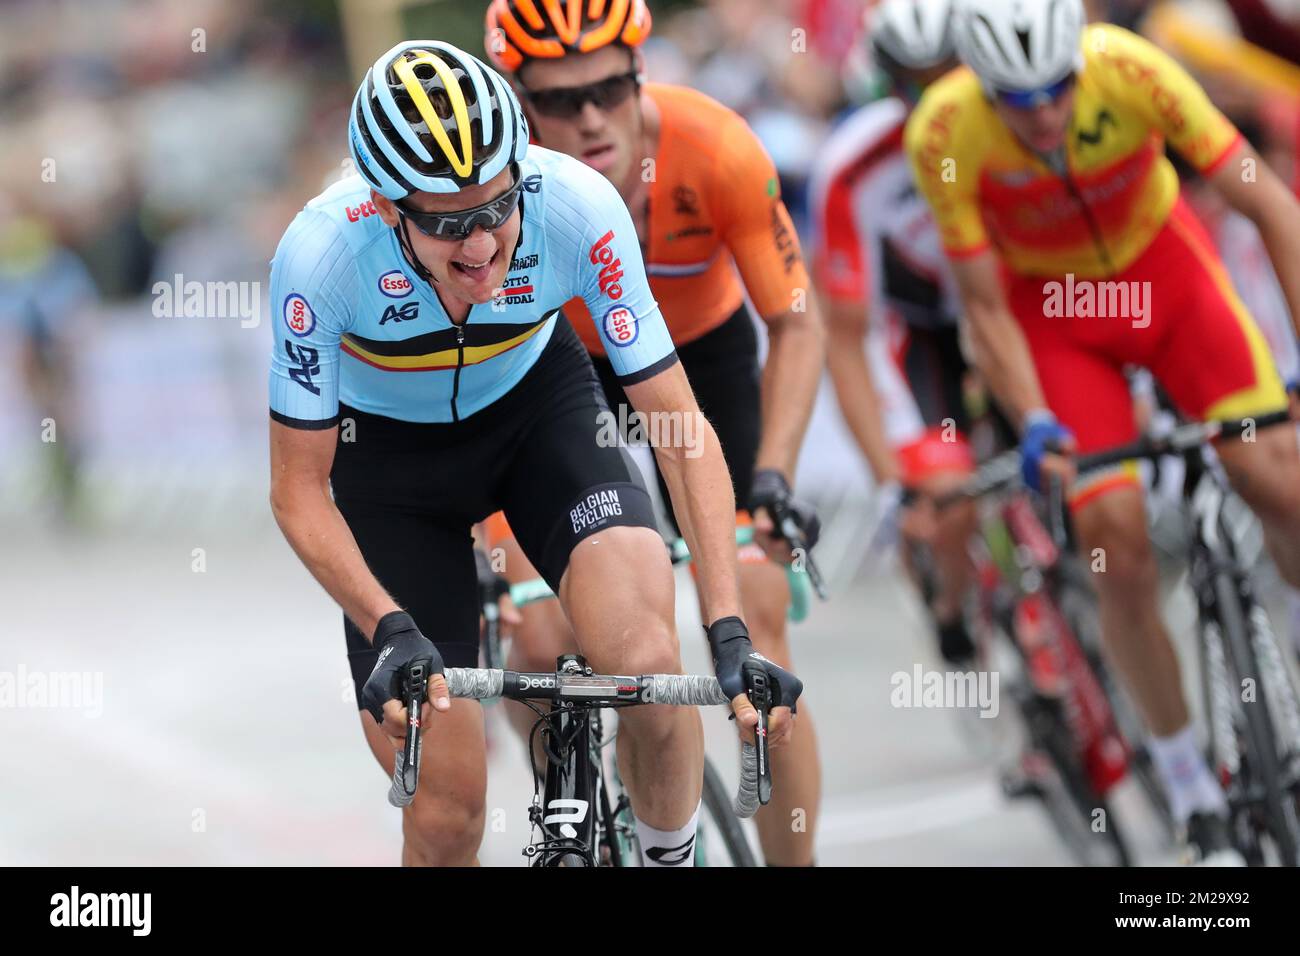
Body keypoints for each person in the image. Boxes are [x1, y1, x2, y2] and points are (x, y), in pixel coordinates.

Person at [267, 39, 801, 866]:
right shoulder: (321, 256)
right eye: (448, 225)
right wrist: (388, 624)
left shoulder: (577, 206)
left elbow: (679, 428)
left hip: (538, 420)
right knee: (446, 815)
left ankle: (669, 854)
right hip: (391, 475)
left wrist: (728, 623)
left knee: (650, 667)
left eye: (495, 208)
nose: (480, 245)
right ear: (382, 206)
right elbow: (298, 491)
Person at [905, 0, 1300, 863]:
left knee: (1276, 475)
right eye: (1019, 98)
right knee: (1112, 544)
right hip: (1056, 319)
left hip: (1168, 279)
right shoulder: (944, 131)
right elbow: (982, 308)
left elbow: (1270, 205)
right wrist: (1036, 416)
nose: (1043, 112)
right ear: (979, 84)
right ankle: (1190, 785)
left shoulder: (1132, 67)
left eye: (1057, 87)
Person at [480, 0, 827, 866]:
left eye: (607, 87)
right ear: (519, 107)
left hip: (698, 367)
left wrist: (775, 476)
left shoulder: (717, 148)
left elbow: (797, 324)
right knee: (540, 634)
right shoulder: (491, 198)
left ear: (641, 74)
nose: (590, 116)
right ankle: (579, 791)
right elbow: (475, 397)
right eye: (560, 101)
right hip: (560, 381)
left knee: (761, 620)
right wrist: (503, 564)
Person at [809, 0, 984, 669]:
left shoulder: (1008, 126)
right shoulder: (852, 167)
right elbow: (847, 338)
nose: (935, 99)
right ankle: (952, 606)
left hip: (1002, 313)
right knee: (945, 493)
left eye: (950, 75)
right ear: (887, 85)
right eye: (916, 83)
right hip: (915, 331)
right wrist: (893, 481)